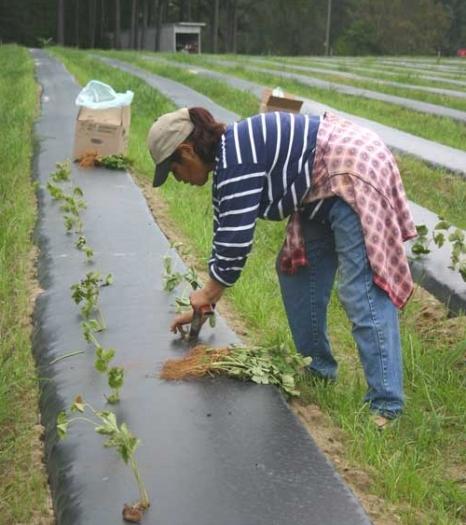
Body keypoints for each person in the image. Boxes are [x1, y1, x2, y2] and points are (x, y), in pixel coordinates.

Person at [147, 106, 417, 420]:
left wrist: (207, 293)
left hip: (350, 168)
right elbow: (226, 232)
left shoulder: (236, 157)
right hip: (319, 185)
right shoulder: (228, 160)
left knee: (362, 293)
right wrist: (208, 300)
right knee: (295, 270)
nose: (177, 180)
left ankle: (386, 404)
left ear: (187, 150)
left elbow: (236, 244)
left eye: (173, 171)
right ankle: (318, 369)